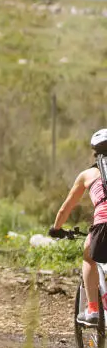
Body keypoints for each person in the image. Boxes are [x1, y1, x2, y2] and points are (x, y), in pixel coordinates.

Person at [49, 130, 107, 326]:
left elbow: (66, 207)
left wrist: (56, 228)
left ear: (95, 153)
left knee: (88, 256)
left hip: (104, 223)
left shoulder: (88, 175)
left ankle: (92, 309)